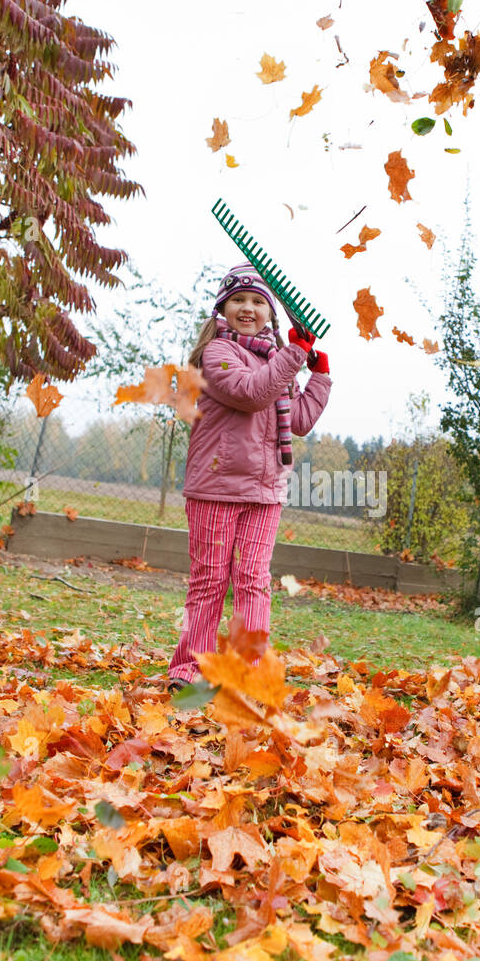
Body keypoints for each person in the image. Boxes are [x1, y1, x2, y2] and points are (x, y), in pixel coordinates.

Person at [167, 262, 331, 689]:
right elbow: (251, 393)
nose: (247, 308)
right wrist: (294, 356)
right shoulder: (216, 354)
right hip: (215, 486)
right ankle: (189, 668)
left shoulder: (277, 361)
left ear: (270, 314)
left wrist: (320, 374)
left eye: (258, 301)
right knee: (209, 580)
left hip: (265, 490)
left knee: (254, 582)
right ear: (223, 307)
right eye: (238, 299)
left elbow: (298, 419)